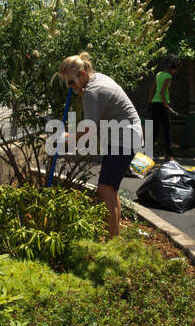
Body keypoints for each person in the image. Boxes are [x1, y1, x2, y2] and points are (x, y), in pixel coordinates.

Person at [58, 52, 142, 239]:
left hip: (124, 138)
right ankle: (114, 238)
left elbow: (89, 129)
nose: (69, 88)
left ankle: (110, 243)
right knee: (110, 190)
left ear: (83, 75)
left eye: (71, 82)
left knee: (104, 189)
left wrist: (67, 137)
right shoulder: (97, 77)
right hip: (126, 135)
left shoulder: (92, 93)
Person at [148, 54, 180, 160]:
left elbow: (153, 89)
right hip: (162, 104)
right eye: (176, 69)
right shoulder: (168, 77)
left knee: (154, 129)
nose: (176, 72)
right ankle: (169, 155)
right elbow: (162, 92)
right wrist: (167, 106)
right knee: (167, 130)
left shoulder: (159, 74)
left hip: (154, 104)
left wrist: (150, 102)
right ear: (172, 68)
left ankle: (148, 152)